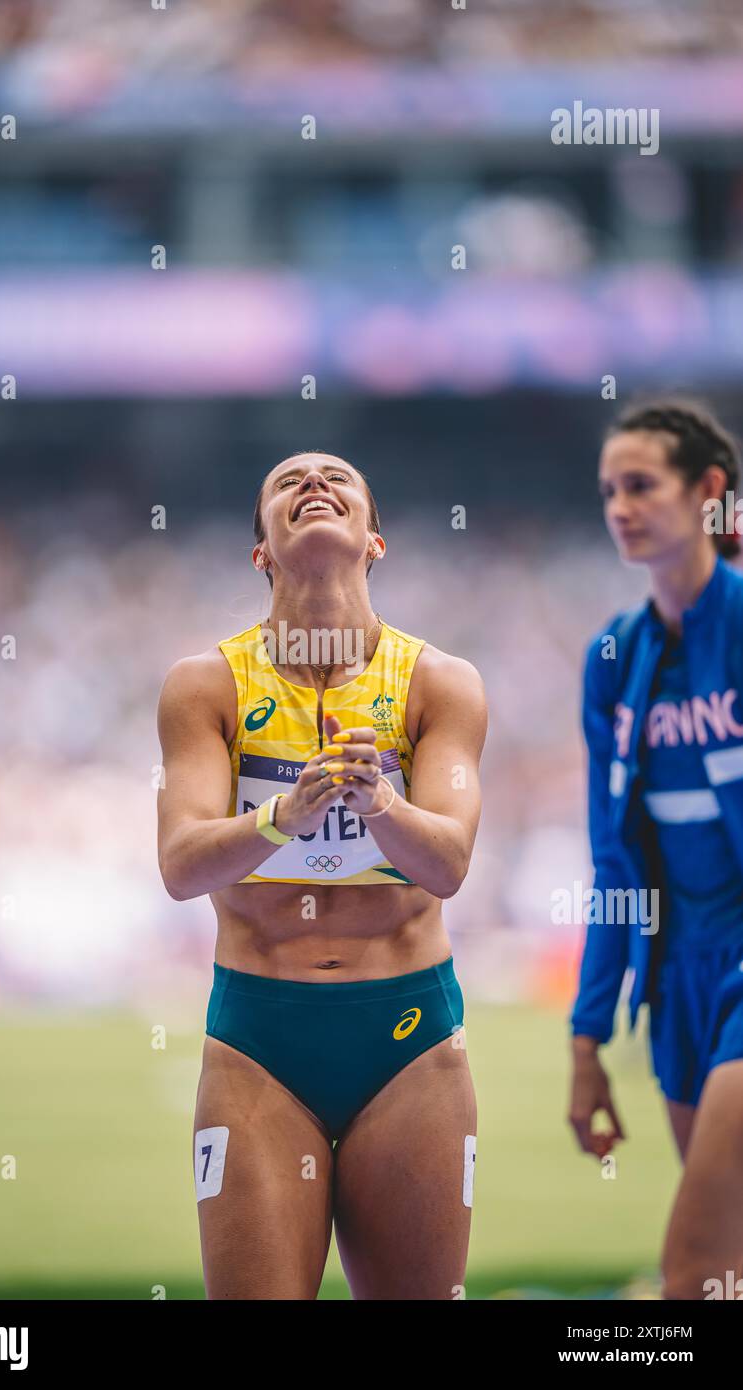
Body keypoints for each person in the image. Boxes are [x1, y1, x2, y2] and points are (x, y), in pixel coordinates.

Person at [157, 451, 486, 1299]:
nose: (312, 483)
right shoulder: (205, 685)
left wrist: (380, 803)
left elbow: (448, 863)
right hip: (258, 1039)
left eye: (336, 478)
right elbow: (181, 864)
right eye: (287, 482)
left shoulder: (439, 683)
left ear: (375, 540)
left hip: (409, 1038)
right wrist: (283, 816)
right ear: (260, 552)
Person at [568, 400, 743, 1299]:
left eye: (641, 485)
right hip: (677, 983)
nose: (620, 508)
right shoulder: (614, 659)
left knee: (696, 1272)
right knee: (734, 1269)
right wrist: (587, 1036)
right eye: (608, 491)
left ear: (708, 491)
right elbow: (614, 864)